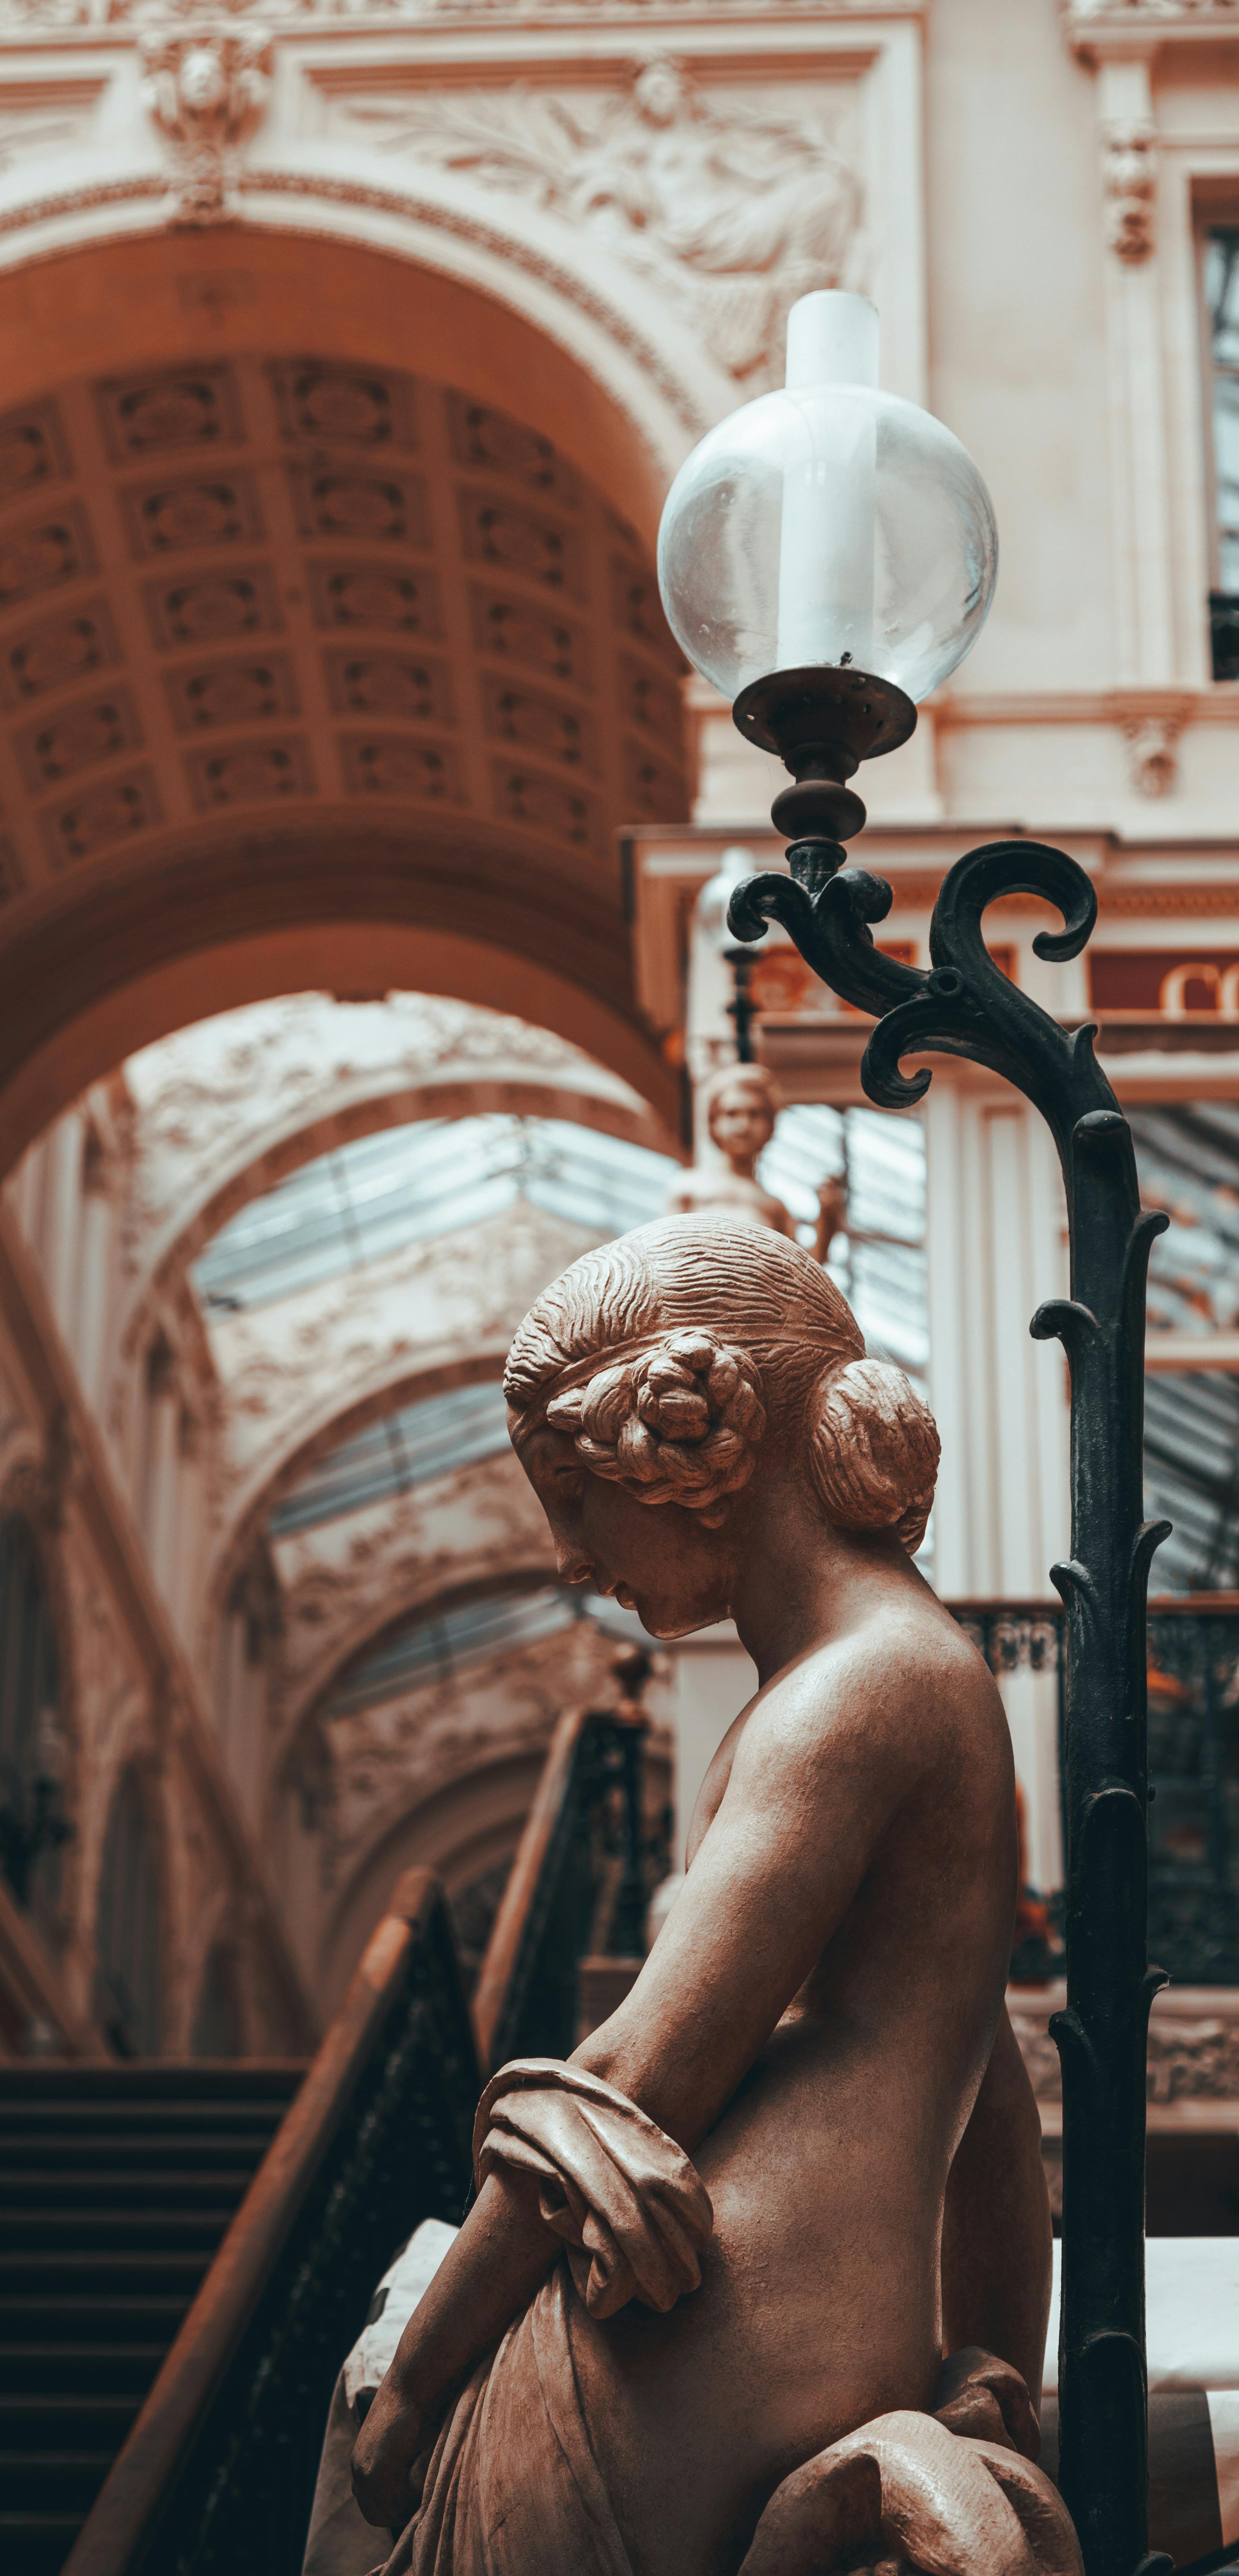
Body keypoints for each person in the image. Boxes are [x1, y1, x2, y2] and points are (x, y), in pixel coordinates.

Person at [350, 1219, 1064, 2576]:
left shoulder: (853, 1694)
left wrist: (413, 2389)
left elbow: (635, 2072)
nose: (570, 1555)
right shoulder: (875, 1683)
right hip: (807, 2323)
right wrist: (993, 2379)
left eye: (569, 1487)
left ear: (683, 1451)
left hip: (719, 2340)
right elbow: (997, 2112)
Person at [667, 1064, 845, 1265]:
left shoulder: (775, 1208)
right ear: (713, 1122)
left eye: (755, 1114)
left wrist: (826, 1220)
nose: (744, 1126)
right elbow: (662, 1259)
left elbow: (802, 1272)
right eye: (732, 1113)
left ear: (770, 1124)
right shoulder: (687, 1189)